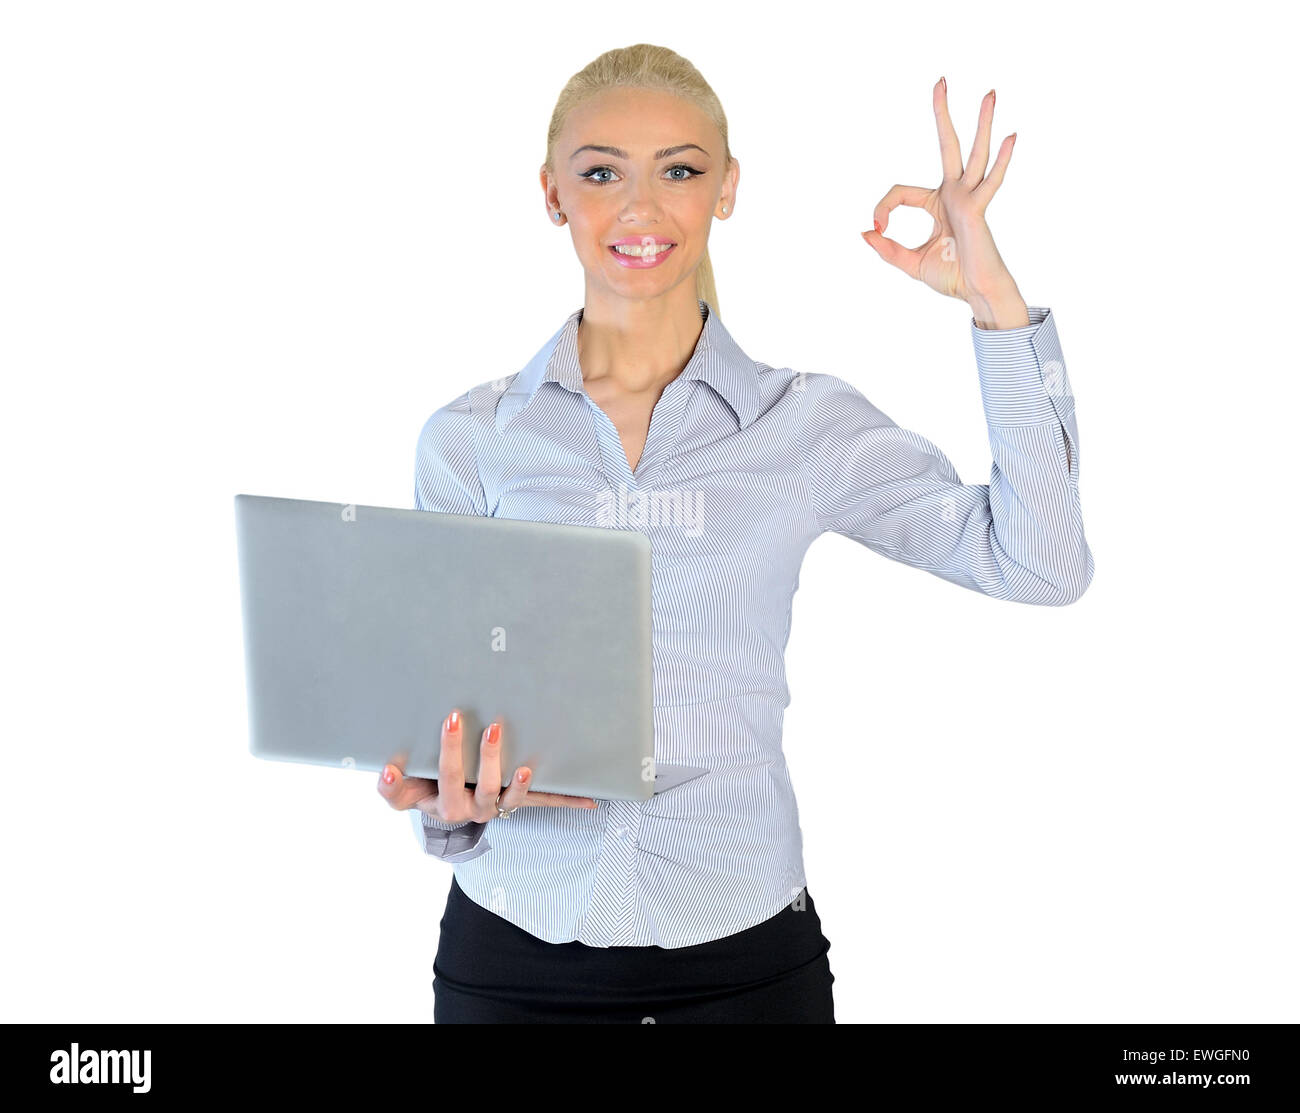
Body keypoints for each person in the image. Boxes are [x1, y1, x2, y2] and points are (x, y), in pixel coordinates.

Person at [376, 43, 1093, 1023]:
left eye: (679, 169)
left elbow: (1040, 565)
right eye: (599, 174)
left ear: (726, 189)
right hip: (511, 961)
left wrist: (993, 305)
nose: (639, 208)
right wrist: (448, 805)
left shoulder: (801, 428)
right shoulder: (469, 441)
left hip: (744, 969)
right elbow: (445, 724)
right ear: (551, 195)